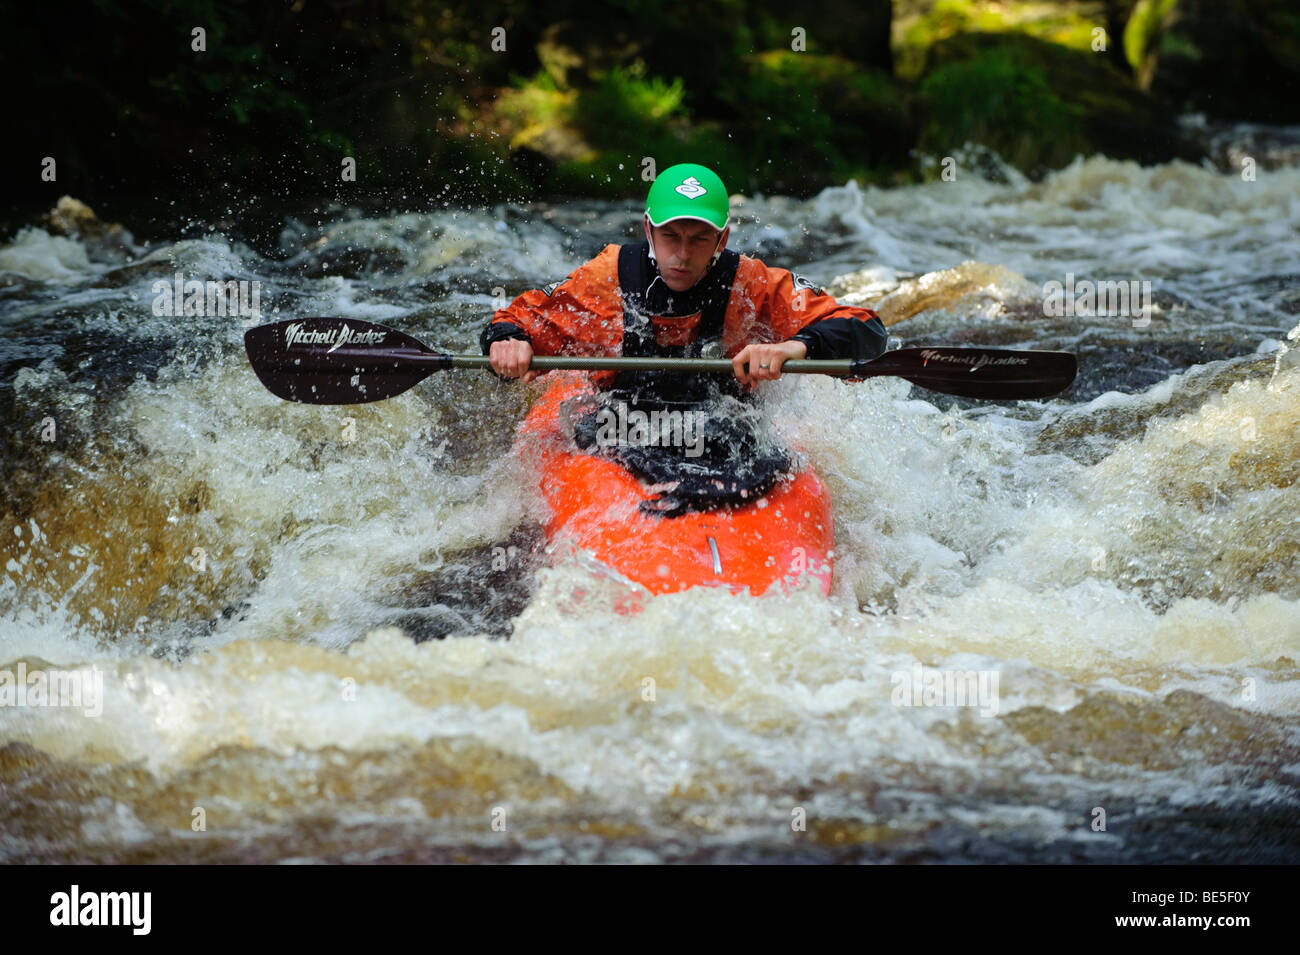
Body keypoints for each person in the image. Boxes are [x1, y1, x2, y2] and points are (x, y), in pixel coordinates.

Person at [481, 162, 887, 397]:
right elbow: (516, 320)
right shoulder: (606, 277)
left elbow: (867, 330)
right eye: (670, 236)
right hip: (617, 428)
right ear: (648, 230)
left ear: (722, 239)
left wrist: (794, 348)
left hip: (722, 431)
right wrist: (507, 343)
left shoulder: (752, 283)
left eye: (699, 239)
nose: (682, 254)